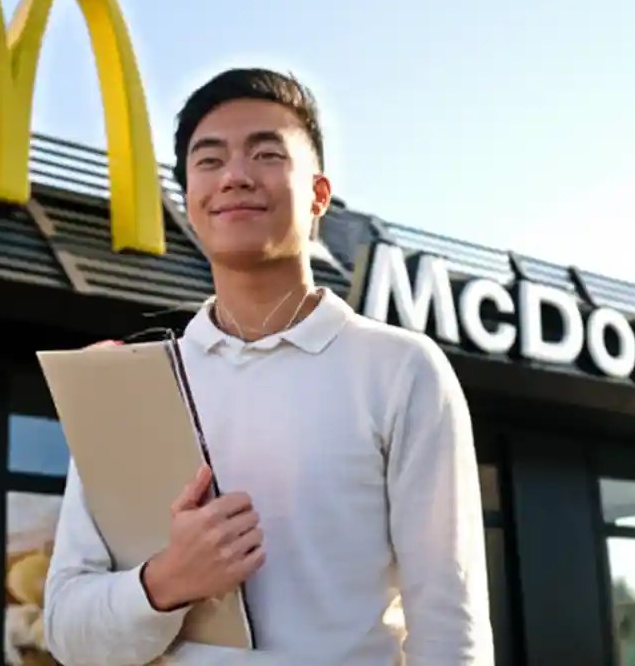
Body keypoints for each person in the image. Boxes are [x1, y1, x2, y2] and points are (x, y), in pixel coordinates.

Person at [43, 68, 494, 665]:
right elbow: (68, 635)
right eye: (209, 160)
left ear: (318, 194)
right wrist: (168, 581)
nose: (235, 176)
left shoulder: (400, 370)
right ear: (189, 201)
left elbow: (448, 624)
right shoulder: (133, 389)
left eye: (266, 153)